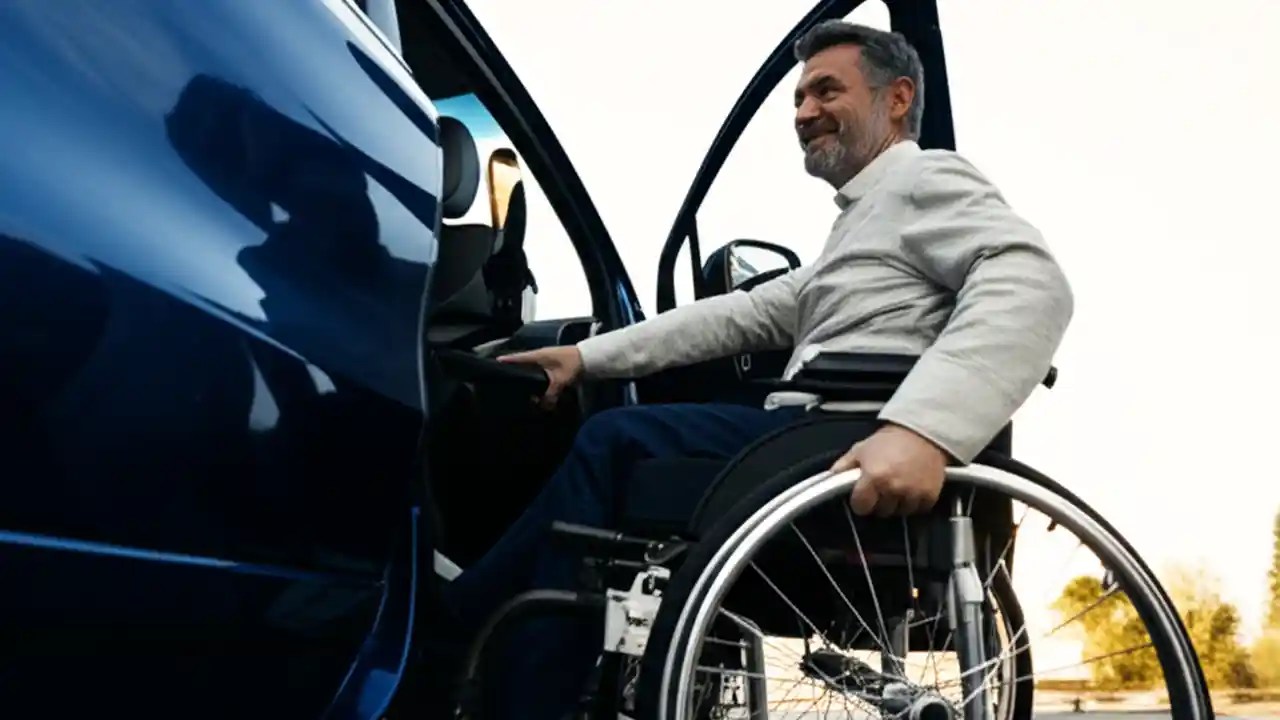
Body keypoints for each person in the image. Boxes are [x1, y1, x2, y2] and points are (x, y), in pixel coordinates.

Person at [427, 19, 1073, 719]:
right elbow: (739, 315)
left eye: (827, 91)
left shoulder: (925, 176)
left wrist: (923, 431)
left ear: (897, 99)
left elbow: (1031, 281)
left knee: (613, 443)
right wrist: (584, 357)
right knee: (621, 445)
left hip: (840, 439)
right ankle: (480, 644)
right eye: (798, 98)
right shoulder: (864, 220)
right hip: (818, 436)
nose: (804, 112)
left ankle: (460, 642)